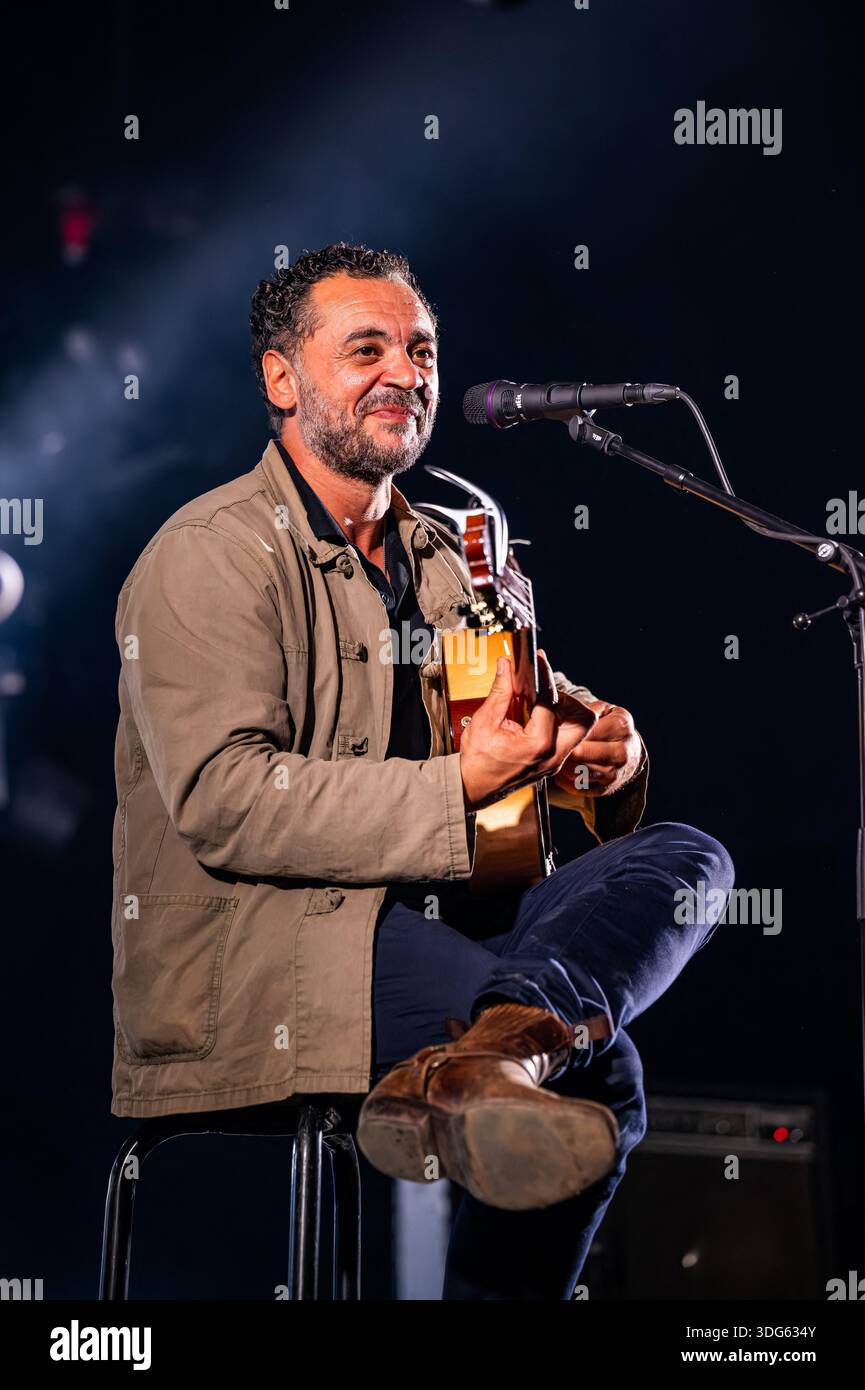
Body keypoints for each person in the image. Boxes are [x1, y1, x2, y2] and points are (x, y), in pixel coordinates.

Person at [110, 241, 733, 1299]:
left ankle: (487, 1056)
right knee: (599, 1066)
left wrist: (601, 756)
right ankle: (496, 1056)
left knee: (687, 857)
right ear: (281, 379)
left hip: (436, 924)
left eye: (422, 349)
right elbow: (224, 801)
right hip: (262, 953)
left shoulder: (451, 552)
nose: (407, 373)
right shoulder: (207, 551)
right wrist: (458, 786)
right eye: (367, 349)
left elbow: (533, 726)